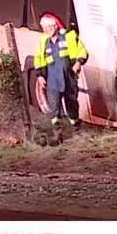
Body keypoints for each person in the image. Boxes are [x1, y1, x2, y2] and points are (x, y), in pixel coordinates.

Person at [32, 12, 87, 144]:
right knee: (54, 106)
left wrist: (78, 63)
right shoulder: (43, 41)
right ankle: (58, 134)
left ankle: (76, 128)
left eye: (48, 28)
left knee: (72, 104)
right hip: (52, 79)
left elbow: (82, 51)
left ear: (55, 26)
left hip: (68, 77)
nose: (46, 31)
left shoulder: (69, 37)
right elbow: (38, 59)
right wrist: (40, 76)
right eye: (44, 29)